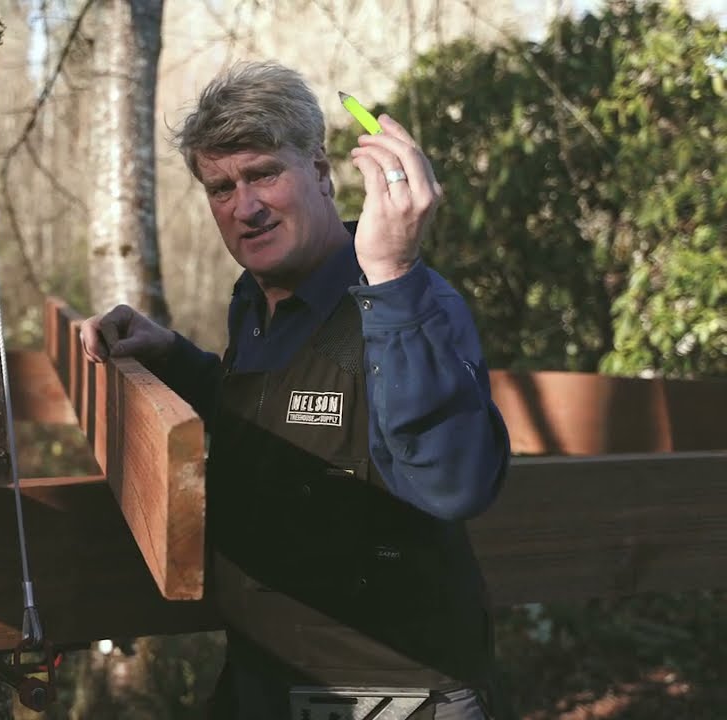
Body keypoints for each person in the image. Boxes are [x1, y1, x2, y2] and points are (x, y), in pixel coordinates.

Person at [80, 61, 511, 719]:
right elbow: (273, 419)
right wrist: (169, 355)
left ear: (319, 168)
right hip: (267, 676)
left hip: (396, 694)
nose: (245, 207)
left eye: (263, 174)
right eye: (220, 187)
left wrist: (392, 276)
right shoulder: (256, 302)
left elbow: (456, 485)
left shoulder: (409, 304)